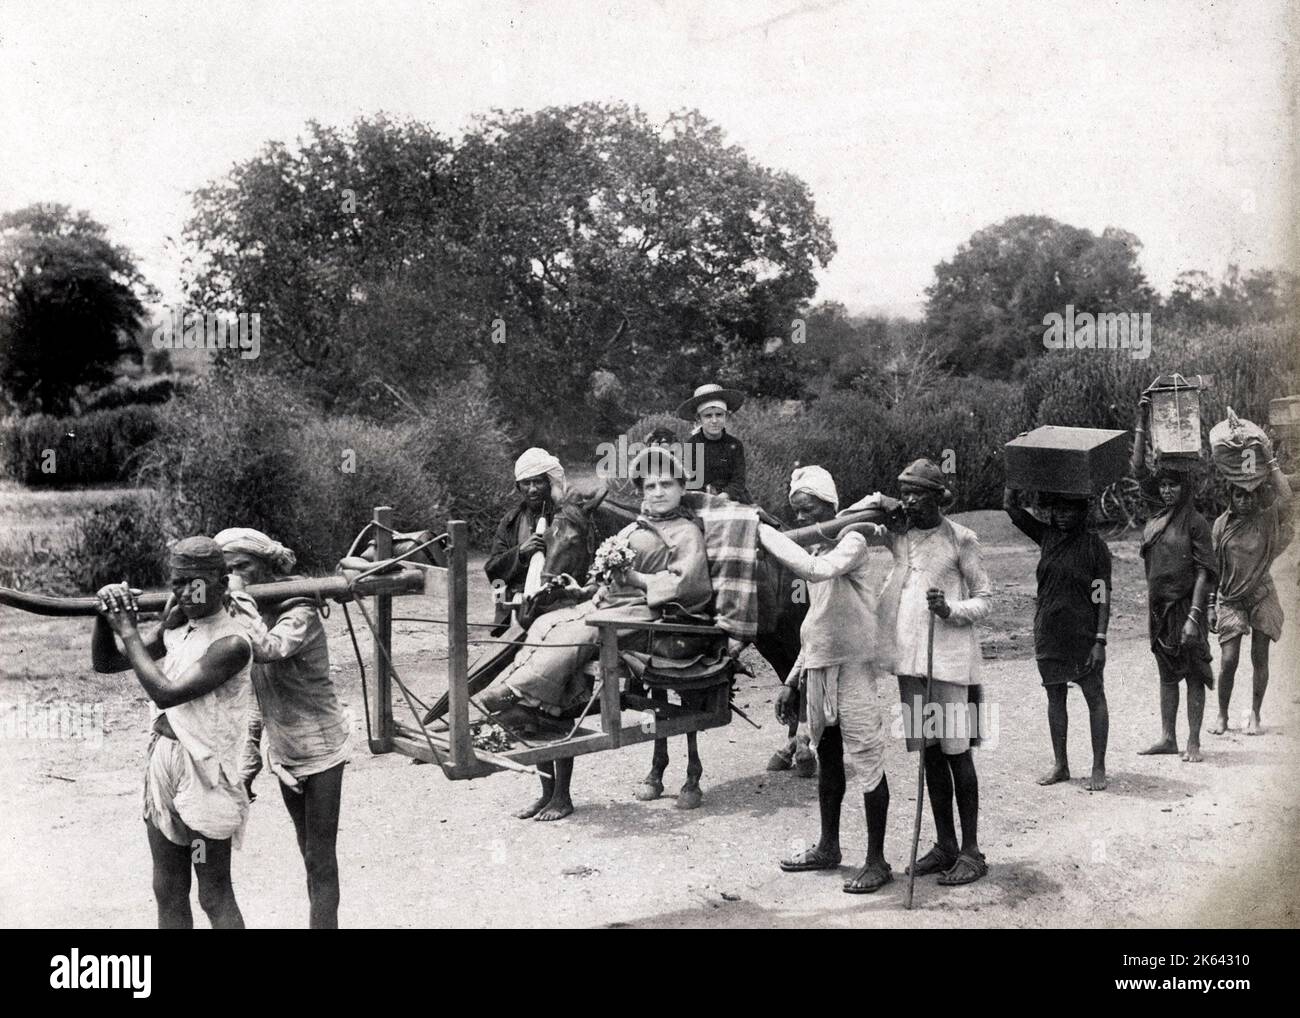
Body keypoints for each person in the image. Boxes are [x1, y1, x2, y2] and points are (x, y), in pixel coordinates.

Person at [479, 446, 714, 821]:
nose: (657, 492)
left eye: (666, 484)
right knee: (544, 622)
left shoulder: (686, 533)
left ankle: (515, 691)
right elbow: (607, 580)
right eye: (649, 485)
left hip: (656, 615)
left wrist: (637, 579)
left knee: (585, 630)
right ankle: (520, 695)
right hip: (617, 605)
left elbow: (691, 586)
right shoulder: (633, 529)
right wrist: (584, 590)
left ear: (682, 488)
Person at [92, 537, 253, 929]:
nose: (185, 592)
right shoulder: (178, 630)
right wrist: (105, 614)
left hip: (205, 774)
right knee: (168, 888)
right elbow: (108, 663)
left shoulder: (231, 642)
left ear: (221, 580)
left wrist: (129, 629)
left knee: (213, 894)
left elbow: (165, 693)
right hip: (165, 762)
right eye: (178, 582)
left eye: (195, 583)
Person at [848, 458, 993, 887]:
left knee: (956, 754)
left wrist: (951, 609)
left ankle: (971, 851)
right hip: (909, 663)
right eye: (905, 493)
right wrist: (882, 501)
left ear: (938, 498)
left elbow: (985, 597)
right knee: (929, 754)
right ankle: (944, 843)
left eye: (918, 495)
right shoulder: (899, 534)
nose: (910, 501)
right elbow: (855, 517)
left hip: (948, 664)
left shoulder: (961, 539)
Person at [759, 466, 894, 893]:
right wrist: (792, 679)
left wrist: (765, 534)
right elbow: (816, 626)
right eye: (796, 511)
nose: (802, 519)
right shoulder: (817, 544)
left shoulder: (850, 542)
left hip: (853, 668)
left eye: (810, 509)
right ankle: (828, 846)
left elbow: (817, 570)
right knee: (829, 757)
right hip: (819, 668)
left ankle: (877, 861)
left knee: (868, 762)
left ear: (831, 507)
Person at [216, 527, 349, 929]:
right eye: (227, 572)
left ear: (267, 566)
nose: (236, 576)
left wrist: (239, 605)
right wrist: (250, 761)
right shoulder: (254, 612)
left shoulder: (300, 608)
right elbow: (256, 695)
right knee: (305, 850)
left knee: (320, 858)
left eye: (243, 567)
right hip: (285, 749)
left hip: (322, 746)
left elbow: (269, 651)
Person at [1004, 488, 1111, 790]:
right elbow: (1011, 508)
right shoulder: (1046, 537)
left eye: (1069, 509)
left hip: (1083, 634)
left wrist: (1100, 639)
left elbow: (1103, 596)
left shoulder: (1095, 548)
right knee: (1055, 696)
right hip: (1049, 631)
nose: (1062, 515)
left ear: (1082, 512)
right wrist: (1016, 475)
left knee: (1094, 696)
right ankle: (1060, 765)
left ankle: (1098, 767)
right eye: (1057, 509)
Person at [1130, 395, 1216, 762]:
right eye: (1163, 486)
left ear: (1185, 488)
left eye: (1173, 486)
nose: (1167, 491)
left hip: (1186, 607)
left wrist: (1195, 617)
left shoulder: (1194, 521)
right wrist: (1141, 416)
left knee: (1194, 672)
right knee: (1167, 673)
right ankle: (1168, 737)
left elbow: (1205, 572)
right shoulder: (1156, 513)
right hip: (1159, 608)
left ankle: (1193, 740)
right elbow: (1136, 469)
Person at [1208, 459, 1293, 735]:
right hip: (1231, 598)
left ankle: (1255, 714)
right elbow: (1213, 570)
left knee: (1260, 656)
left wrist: (1270, 462)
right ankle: (1222, 714)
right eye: (1239, 494)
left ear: (1258, 496)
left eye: (1250, 495)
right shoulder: (1222, 525)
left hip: (1261, 594)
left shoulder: (1267, 520)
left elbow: (1287, 497)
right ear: (1230, 496)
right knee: (1229, 659)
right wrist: (1210, 605)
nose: (1245, 500)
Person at [485, 448, 567, 631]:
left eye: (538, 482)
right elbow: (493, 571)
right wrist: (521, 553)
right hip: (516, 607)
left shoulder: (564, 519)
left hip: (557, 606)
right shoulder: (510, 522)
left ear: (549, 483)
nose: (532, 489)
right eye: (526, 483)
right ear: (518, 487)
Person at [677, 383, 751, 502]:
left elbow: (738, 480)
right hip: (701, 499)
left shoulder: (735, 445)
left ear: (726, 416)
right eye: (708, 416)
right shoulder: (692, 446)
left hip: (731, 499)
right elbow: (691, 482)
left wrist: (725, 496)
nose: (714, 420)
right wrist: (708, 498)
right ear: (698, 419)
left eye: (719, 415)